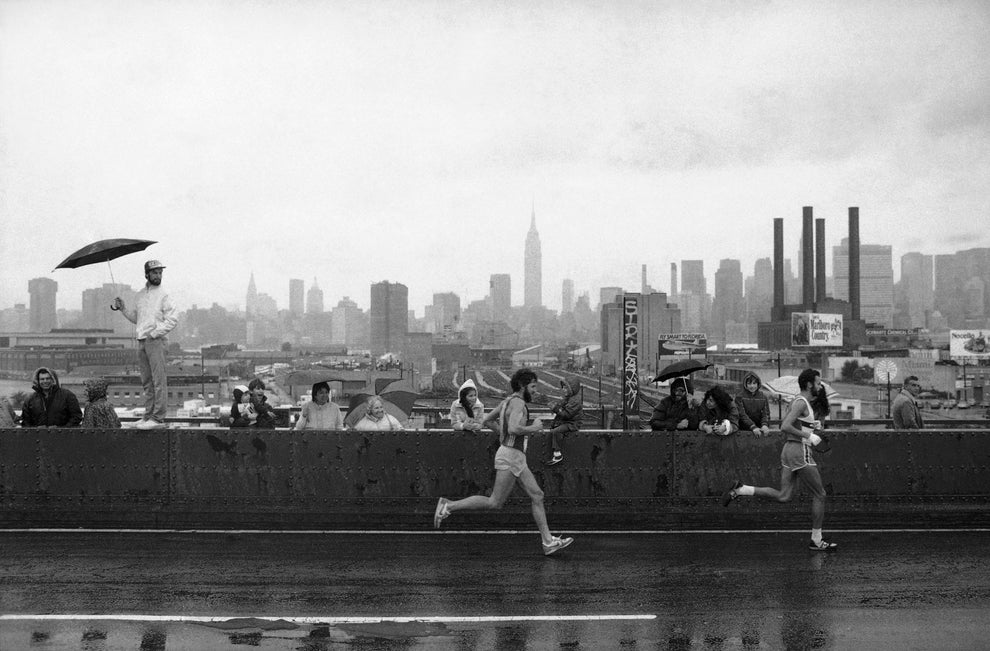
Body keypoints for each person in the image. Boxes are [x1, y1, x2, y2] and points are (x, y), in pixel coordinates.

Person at [433, 368, 573, 556]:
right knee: (494, 502)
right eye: (532, 386)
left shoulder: (507, 401)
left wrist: (503, 436)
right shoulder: (518, 404)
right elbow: (514, 428)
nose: (535, 390)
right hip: (510, 456)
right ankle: (448, 506)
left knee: (537, 495)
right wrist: (534, 427)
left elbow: (487, 421)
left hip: (514, 456)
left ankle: (548, 542)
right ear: (523, 386)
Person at [722, 368, 837, 552]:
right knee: (820, 494)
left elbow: (795, 424)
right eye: (817, 382)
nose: (819, 386)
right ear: (809, 384)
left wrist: (812, 429)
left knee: (784, 496)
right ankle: (816, 539)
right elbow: (785, 426)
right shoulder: (801, 403)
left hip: (789, 451)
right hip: (799, 451)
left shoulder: (798, 402)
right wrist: (809, 437)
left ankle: (742, 490)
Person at [113, 260, 178, 429]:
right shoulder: (140, 295)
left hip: (156, 341)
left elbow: (172, 319)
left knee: (158, 380)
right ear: (147, 274)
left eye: (160, 272)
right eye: (155, 272)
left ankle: (157, 418)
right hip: (142, 340)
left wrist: (155, 333)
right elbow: (137, 318)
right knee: (147, 381)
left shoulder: (164, 295)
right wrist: (123, 309)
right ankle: (148, 415)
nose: (158, 275)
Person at [543, 376, 583, 465]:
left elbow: (567, 414)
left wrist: (556, 409)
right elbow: (562, 407)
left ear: (572, 389)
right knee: (554, 426)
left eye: (566, 388)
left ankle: (557, 454)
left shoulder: (575, 401)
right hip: (568, 421)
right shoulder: (568, 398)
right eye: (563, 387)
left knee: (556, 431)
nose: (563, 389)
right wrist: (556, 406)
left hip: (572, 423)